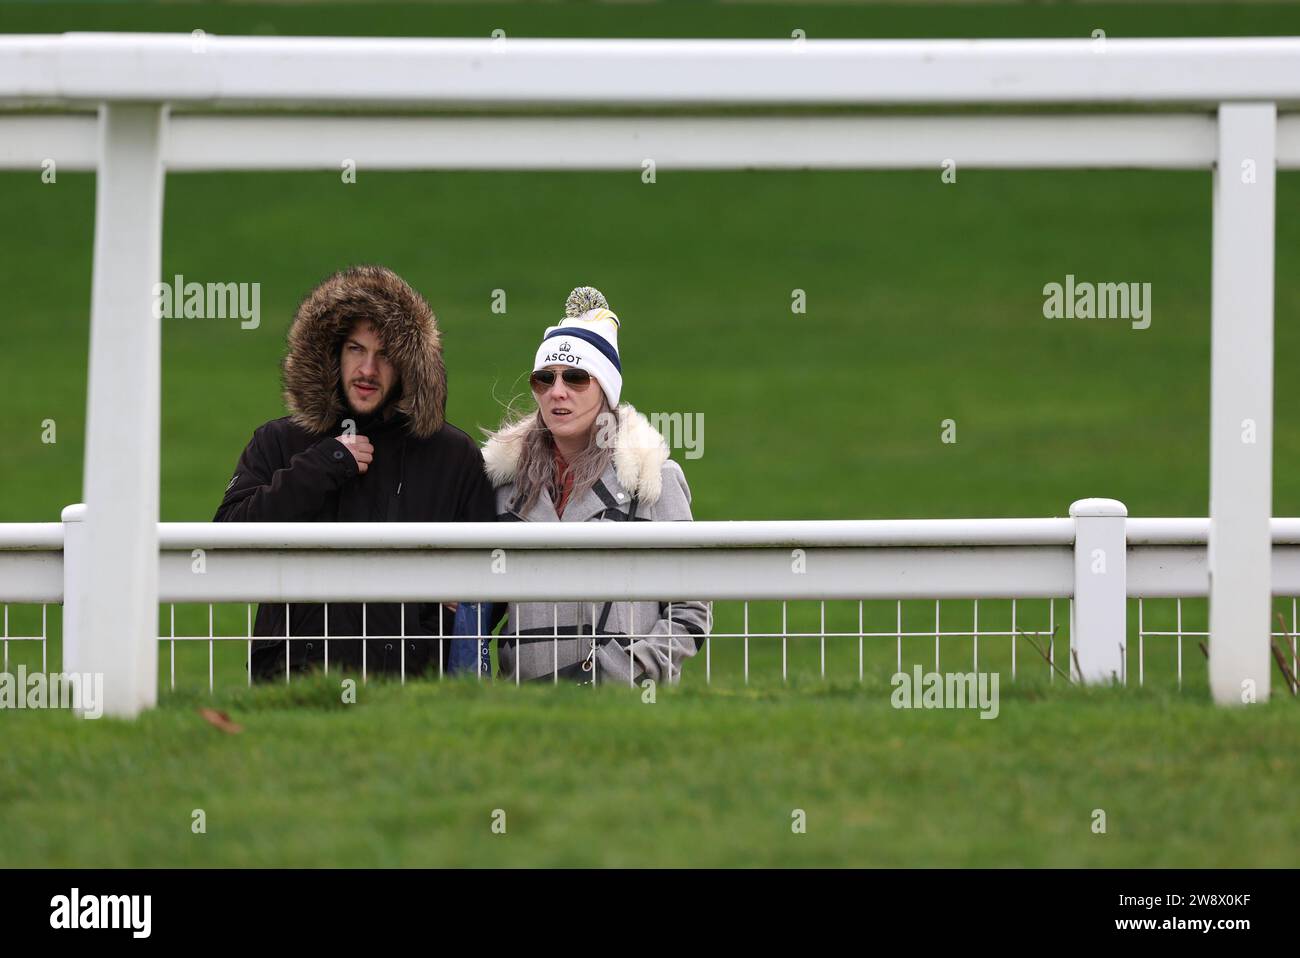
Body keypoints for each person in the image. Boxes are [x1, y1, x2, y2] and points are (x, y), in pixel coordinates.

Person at [214, 265, 496, 680]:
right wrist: (322, 464)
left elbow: (494, 571)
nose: (368, 370)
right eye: (355, 349)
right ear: (331, 351)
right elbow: (225, 542)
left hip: (413, 688)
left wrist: (464, 601)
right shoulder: (278, 442)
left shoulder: (452, 455)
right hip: (295, 680)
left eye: (385, 355)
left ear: (408, 365)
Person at [481, 286, 710, 684]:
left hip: (624, 711)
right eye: (543, 379)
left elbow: (691, 608)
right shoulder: (504, 487)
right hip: (523, 710)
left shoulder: (653, 480)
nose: (557, 391)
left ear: (605, 388)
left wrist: (633, 672)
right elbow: (478, 605)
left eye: (575, 377)